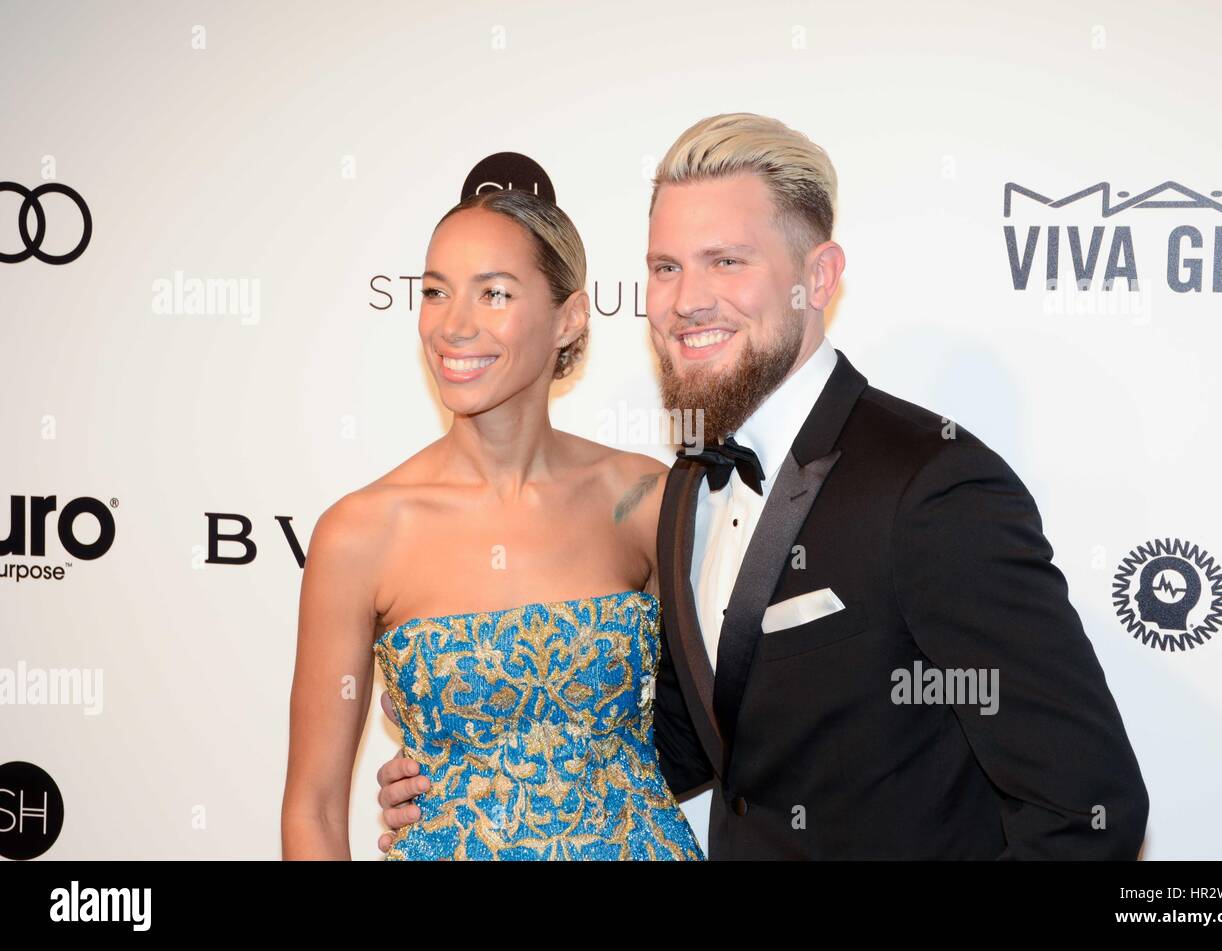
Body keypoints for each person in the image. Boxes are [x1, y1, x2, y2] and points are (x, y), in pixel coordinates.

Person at [378, 113, 1150, 860]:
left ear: (818, 278)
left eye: (728, 261)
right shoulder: (685, 487)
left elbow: (1088, 809)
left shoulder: (930, 486)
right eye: (666, 267)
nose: (687, 300)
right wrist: (476, 760)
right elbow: (687, 744)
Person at [281, 187, 704, 860]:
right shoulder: (361, 533)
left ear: (569, 318)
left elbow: (719, 731)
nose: (453, 325)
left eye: (495, 294)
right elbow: (314, 810)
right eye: (436, 292)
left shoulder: (647, 501)